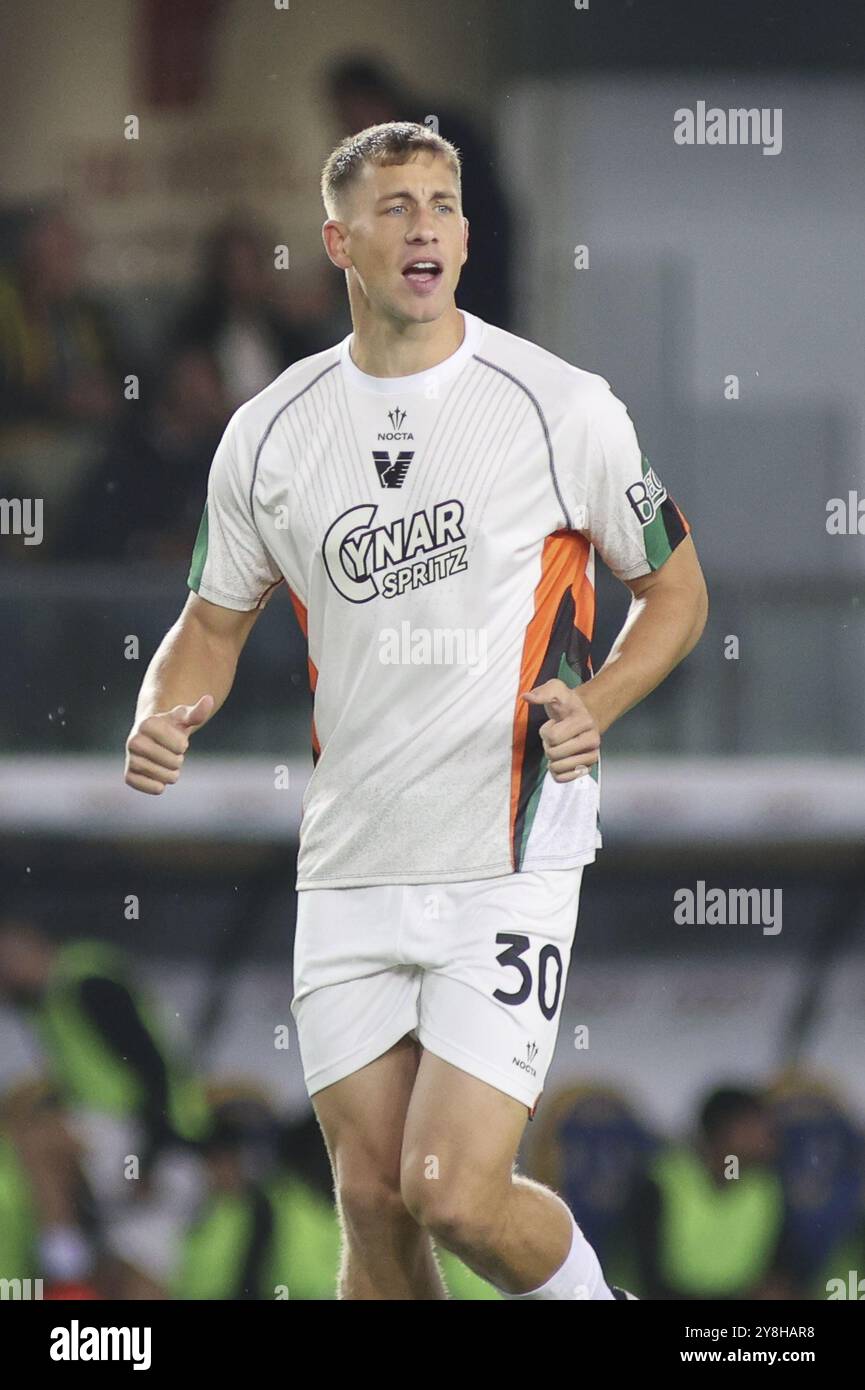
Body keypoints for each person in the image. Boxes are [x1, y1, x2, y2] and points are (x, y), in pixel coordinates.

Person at [124, 121, 708, 1301]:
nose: (425, 223)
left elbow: (678, 593)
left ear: (466, 235)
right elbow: (213, 621)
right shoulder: (269, 432)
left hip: (507, 844)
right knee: (375, 1199)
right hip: (350, 856)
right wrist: (161, 707)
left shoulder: (560, 404)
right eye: (394, 206)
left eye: (441, 202)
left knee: (450, 1188)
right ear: (338, 240)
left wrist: (594, 703)